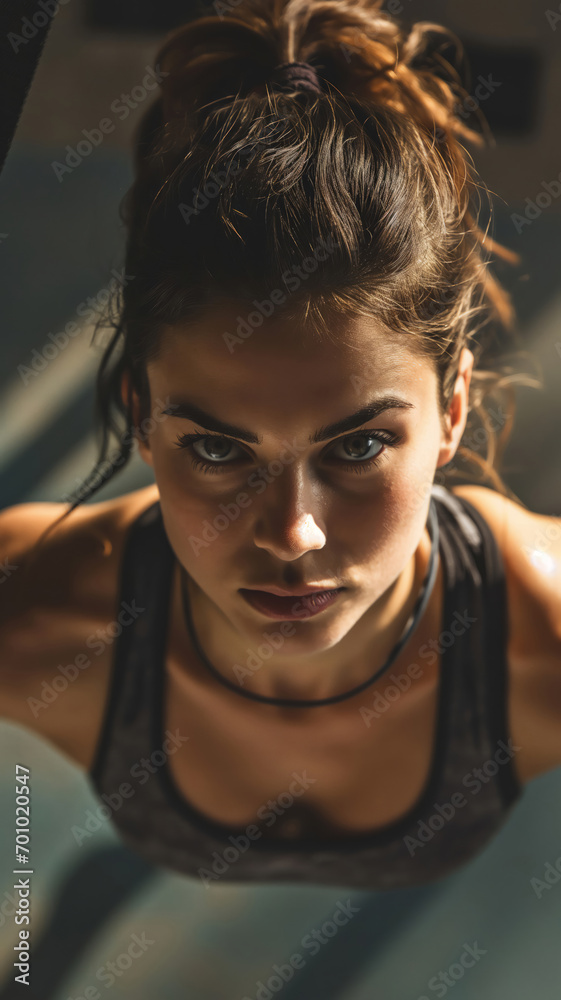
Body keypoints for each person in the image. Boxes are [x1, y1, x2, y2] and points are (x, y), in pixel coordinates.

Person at [1, 0, 560, 892]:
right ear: (140, 412)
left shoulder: (538, 634)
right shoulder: (42, 620)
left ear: (452, 408)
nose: (292, 534)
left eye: (359, 447)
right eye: (219, 451)